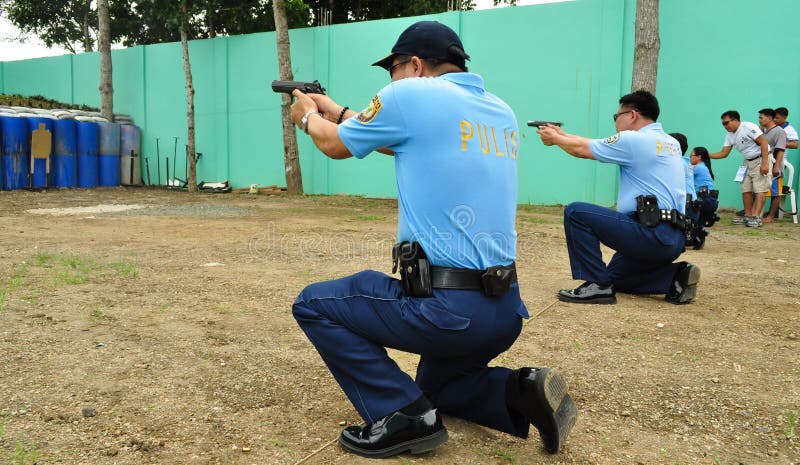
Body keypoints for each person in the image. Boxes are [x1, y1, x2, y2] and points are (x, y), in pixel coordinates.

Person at [287, 21, 577, 459]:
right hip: (502, 314)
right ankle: (519, 391)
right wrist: (339, 108)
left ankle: (404, 419)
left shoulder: (410, 95)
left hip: (447, 311)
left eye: (394, 71)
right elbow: (404, 138)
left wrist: (307, 117)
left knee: (313, 304)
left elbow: (332, 145)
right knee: (438, 386)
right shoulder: (498, 109)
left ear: (416, 65)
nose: (390, 83)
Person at [537, 90, 700, 305]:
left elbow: (582, 150)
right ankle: (673, 278)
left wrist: (556, 139)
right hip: (673, 238)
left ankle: (597, 286)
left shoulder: (634, 140)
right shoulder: (670, 142)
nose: (615, 121)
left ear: (632, 115)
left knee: (576, 212)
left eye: (617, 116)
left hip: (649, 233)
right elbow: (595, 143)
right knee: (615, 277)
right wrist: (562, 135)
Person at [709, 111, 771, 227]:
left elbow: (763, 142)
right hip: (747, 162)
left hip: (761, 158)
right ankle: (748, 216)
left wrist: (765, 163)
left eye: (727, 123)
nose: (725, 126)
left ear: (736, 120)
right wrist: (707, 155)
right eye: (723, 124)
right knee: (745, 189)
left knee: (760, 190)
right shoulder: (729, 136)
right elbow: (724, 153)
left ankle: (756, 217)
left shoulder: (748, 127)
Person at [670, 132, 699, 248]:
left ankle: (694, 235)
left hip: (686, 206)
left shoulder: (677, 162)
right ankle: (694, 233)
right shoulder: (686, 162)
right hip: (692, 205)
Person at [758, 109, 788, 223]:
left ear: (770, 118)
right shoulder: (764, 131)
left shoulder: (779, 131)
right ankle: (758, 214)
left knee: (775, 193)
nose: (759, 120)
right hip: (765, 166)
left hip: (775, 167)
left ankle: (771, 216)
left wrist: (776, 167)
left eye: (761, 118)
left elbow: (780, 150)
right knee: (762, 190)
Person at [689, 147, 719, 249]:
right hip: (709, 200)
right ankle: (698, 237)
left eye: (691, 156)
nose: (690, 158)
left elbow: (681, 173)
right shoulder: (704, 167)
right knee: (698, 224)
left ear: (699, 157)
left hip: (704, 200)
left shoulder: (698, 168)